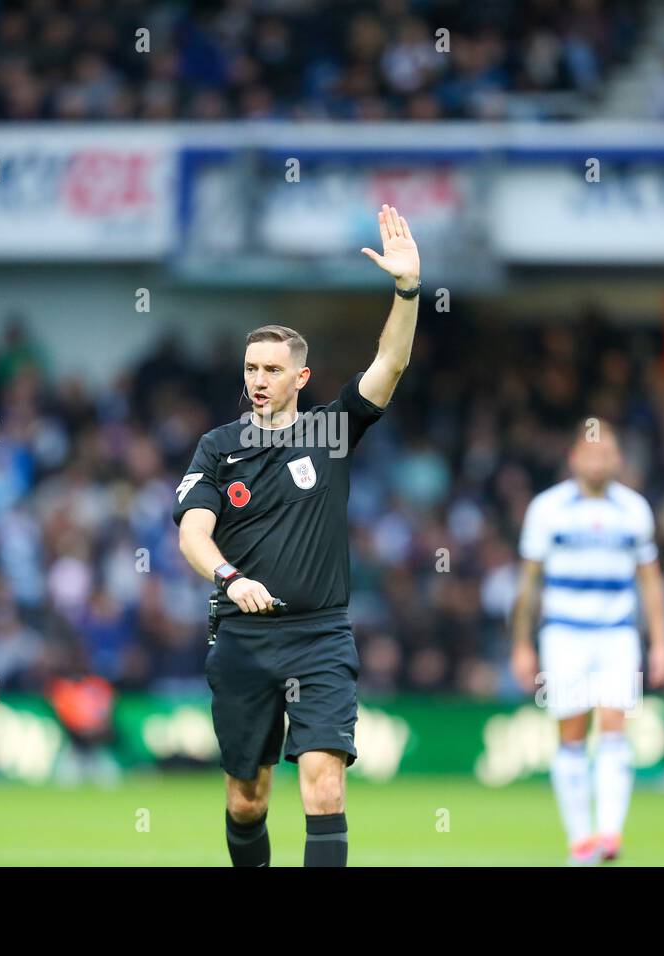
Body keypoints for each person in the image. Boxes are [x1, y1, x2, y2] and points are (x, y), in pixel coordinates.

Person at [173, 204, 421, 866]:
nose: (258, 381)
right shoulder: (218, 449)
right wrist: (230, 576)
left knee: (324, 787)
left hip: (319, 637)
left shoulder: (331, 432)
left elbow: (391, 362)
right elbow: (193, 533)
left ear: (301, 377)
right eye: (251, 369)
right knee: (247, 800)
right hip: (243, 638)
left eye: (272, 370)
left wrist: (406, 291)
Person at [510, 418, 664, 865]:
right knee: (572, 733)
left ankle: (609, 835)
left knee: (615, 724)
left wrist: (661, 642)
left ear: (617, 460)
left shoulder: (635, 509)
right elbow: (529, 583)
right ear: (574, 458)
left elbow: (651, 581)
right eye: (591, 453)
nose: (598, 461)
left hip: (617, 632)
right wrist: (521, 645)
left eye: (606, 454)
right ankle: (581, 839)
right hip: (563, 633)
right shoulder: (547, 509)